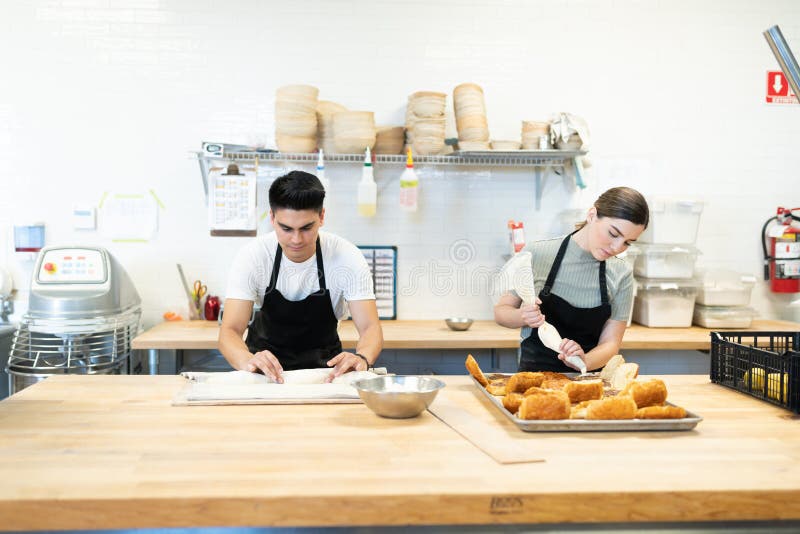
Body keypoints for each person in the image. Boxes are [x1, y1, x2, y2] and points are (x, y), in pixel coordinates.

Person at [219, 170, 383, 383]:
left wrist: (362, 358)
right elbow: (229, 332)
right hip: (263, 378)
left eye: (306, 228)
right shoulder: (254, 256)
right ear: (272, 218)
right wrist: (247, 361)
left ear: (322, 217)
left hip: (326, 378)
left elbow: (370, 327)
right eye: (286, 228)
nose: (296, 239)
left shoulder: (346, 256)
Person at [494, 186, 649, 373]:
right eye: (613, 234)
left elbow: (611, 343)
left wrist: (584, 360)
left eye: (627, 242)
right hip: (533, 382)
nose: (617, 247)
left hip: (585, 384)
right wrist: (522, 316)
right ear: (592, 215)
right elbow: (502, 312)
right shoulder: (537, 254)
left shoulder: (621, 273)